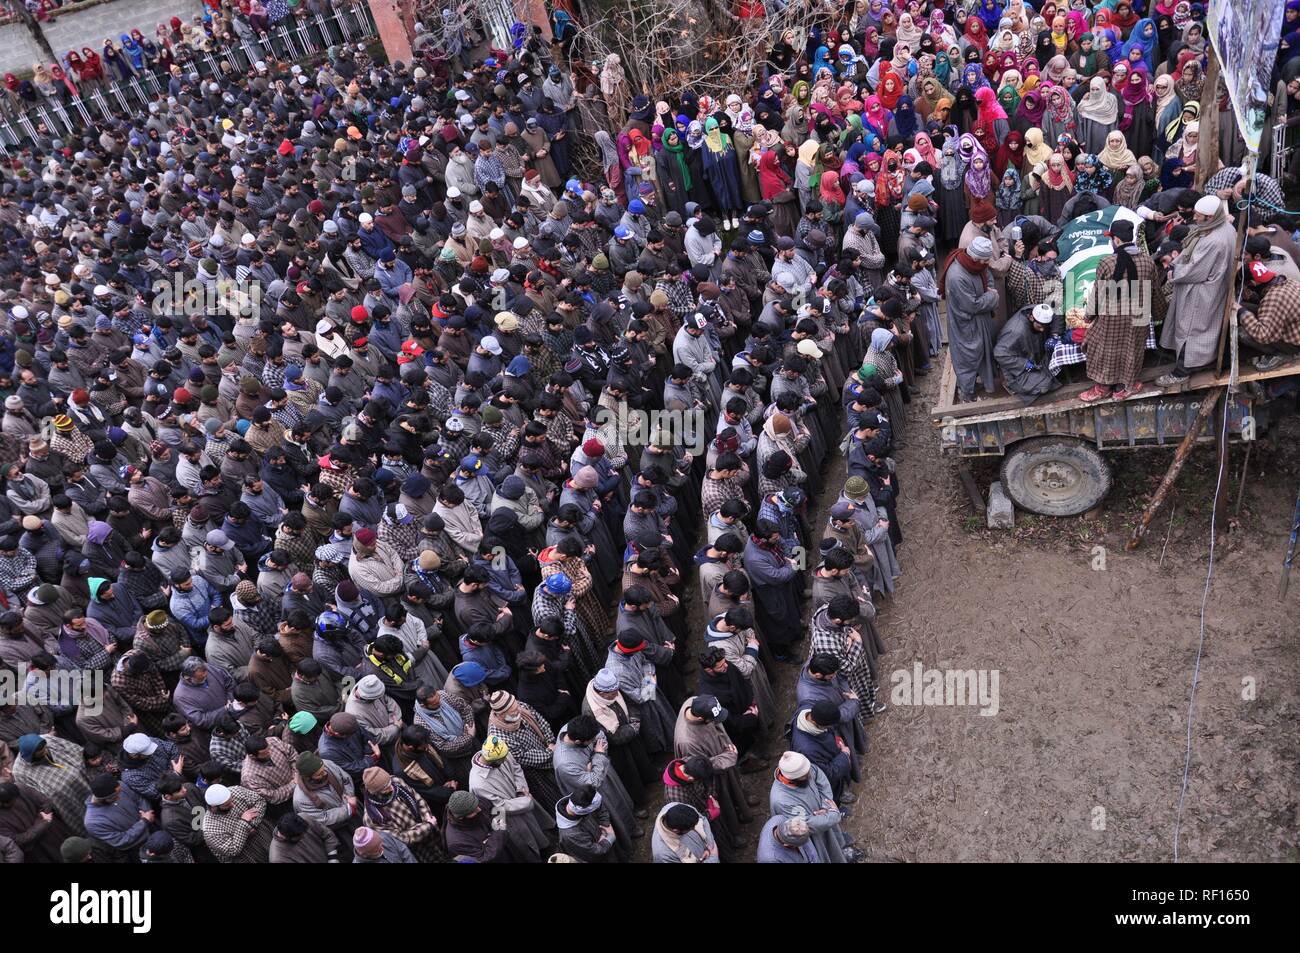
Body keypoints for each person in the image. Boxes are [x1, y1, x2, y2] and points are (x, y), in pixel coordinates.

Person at [1158, 195, 1238, 388]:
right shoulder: (1225, 228)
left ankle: (1182, 371)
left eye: (1198, 215)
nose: (1194, 217)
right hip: (1214, 285)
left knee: (1191, 329)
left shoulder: (1214, 240)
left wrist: (1174, 270)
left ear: (1210, 217)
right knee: (1204, 329)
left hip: (1203, 290)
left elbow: (1196, 269)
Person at [1081, 220, 1161, 401]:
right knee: (1131, 350)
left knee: (1105, 350)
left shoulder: (1107, 262)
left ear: (1116, 240)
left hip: (1112, 318)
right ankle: (1125, 387)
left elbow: (1098, 292)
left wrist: (1088, 316)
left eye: (1111, 239)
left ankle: (1103, 388)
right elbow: (1155, 292)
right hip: (1138, 318)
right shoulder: (1147, 261)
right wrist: (1159, 315)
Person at [945, 236, 1002, 401]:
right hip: (965, 323)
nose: (986, 265)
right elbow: (972, 305)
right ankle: (967, 392)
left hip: (980, 320)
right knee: (967, 357)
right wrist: (992, 297)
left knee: (983, 352)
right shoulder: (957, 276)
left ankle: (981, 383)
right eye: (985, 261)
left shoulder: (975, 264)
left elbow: (987, 275)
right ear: (975, 257)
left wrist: (989, 289)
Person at [993, 303, 1062, 403]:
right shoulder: (1016, 331)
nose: (1042, 330)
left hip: (1034, 355)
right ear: (1031, 318)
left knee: (1057, 363)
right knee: (1046, 384)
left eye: (1045, 326)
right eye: (1039, 326)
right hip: (1016, 368)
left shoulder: (1038, 310)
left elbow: (1056, 314)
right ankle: (1010, 384)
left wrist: (1054, 335)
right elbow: (999, 353)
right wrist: (1024, 364)